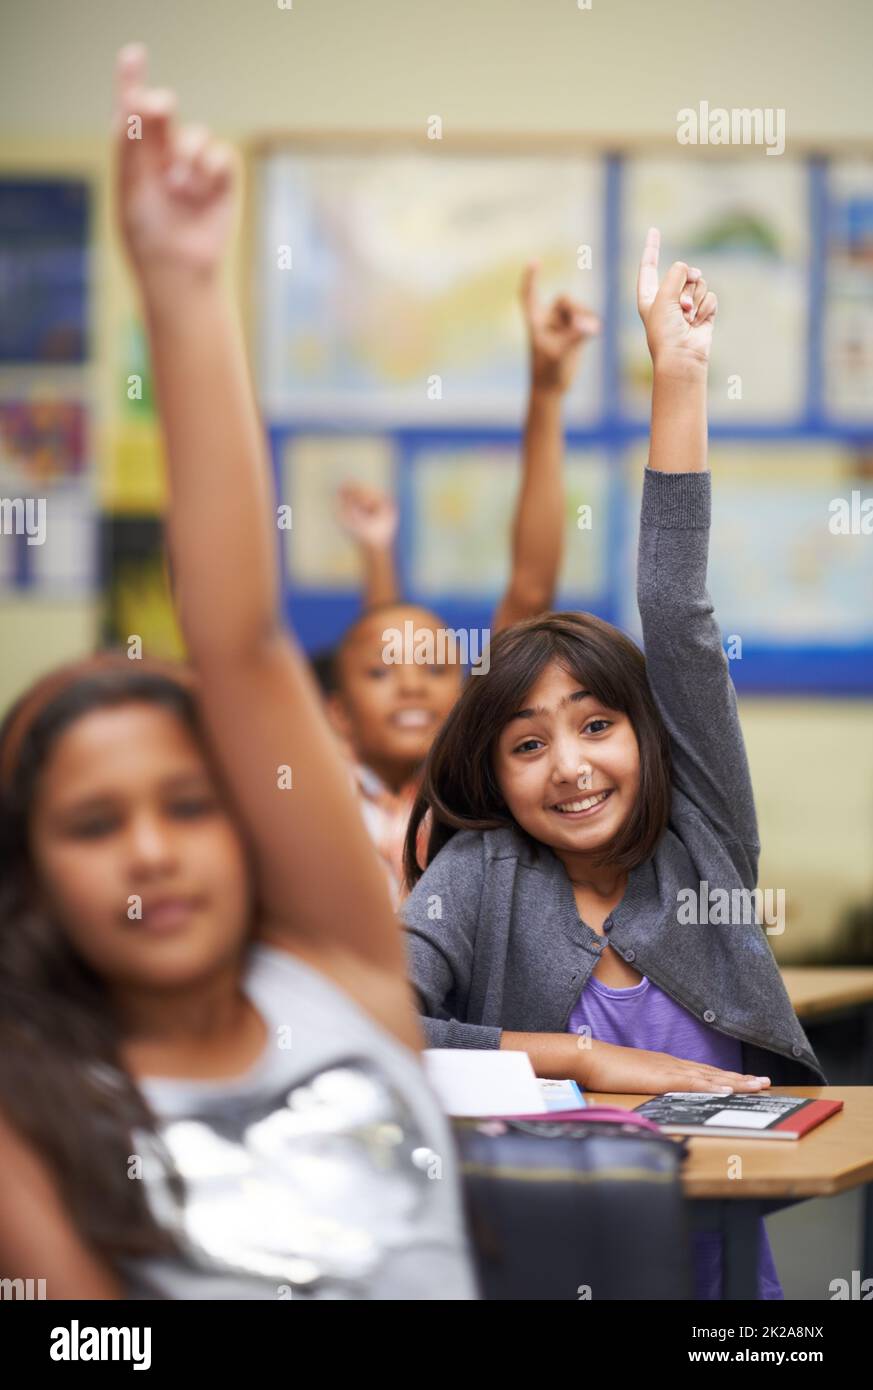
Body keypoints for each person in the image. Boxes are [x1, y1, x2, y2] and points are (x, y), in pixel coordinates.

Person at [0, 43, 477, 1301]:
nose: (153, 850)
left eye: (189, 803)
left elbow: (242, 641)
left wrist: (181, 283)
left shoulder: (341, 967)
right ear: (34, 876)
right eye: (95, 826)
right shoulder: (29, 1115)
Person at [401, 228, 827, 1298]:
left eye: (598, 726)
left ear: (646, 735)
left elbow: (677, 614)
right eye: (528, 745)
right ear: (493, 775)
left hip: (721, 1278)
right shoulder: (482, 875)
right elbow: (383, 1012)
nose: (572, 767)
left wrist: (678, 374)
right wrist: (580, 1057)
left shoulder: (705, 841)